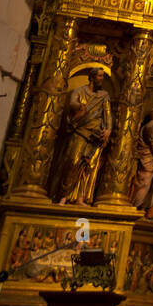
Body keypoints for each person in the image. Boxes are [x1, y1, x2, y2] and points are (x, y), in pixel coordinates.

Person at [53, 68, 112, 205]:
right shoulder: (80, 91)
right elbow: (72, 102)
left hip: (95, 135)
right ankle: (63, 196)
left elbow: (107, 115)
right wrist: (80, 106)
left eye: (103, 76)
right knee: (72, 163)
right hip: (80, 132)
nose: (101, 79)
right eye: (99, 76)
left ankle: (80, 198)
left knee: (87, 167)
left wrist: (108, 129)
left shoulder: (104, 96)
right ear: (92, 77)